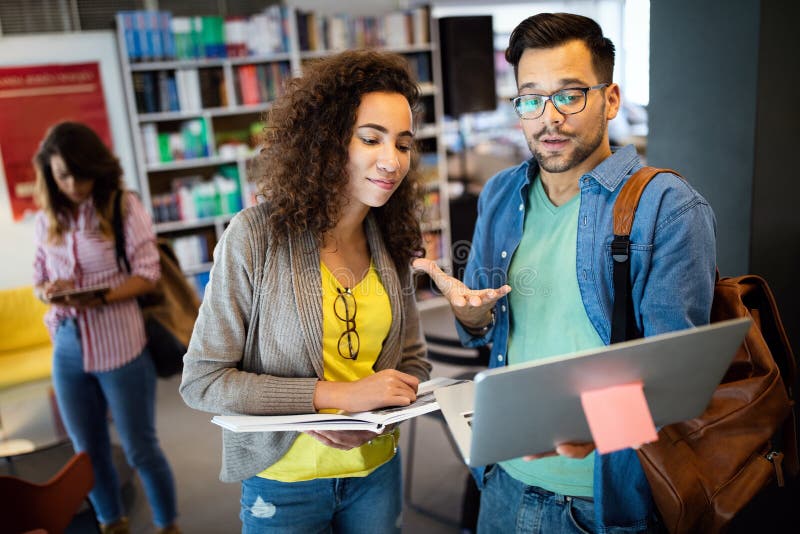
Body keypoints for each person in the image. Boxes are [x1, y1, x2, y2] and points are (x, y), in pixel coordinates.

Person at [413, 12, 716, 534]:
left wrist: (600, 430)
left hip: (603, 500)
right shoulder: (502, 194)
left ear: (611, 99)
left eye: (569, 95)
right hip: (502, 481)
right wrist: (476, 316)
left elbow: (677, 385)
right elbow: (479, 332)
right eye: (530, 98)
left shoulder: (667, 207)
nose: (547, 118)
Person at [179, 49, 432, 534]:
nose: (391, 160)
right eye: (370, 138)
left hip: (376, 472)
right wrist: (335, 399)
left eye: (402, 144)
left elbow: (414, 361)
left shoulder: (391, 239)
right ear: (328, 141)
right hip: (284, 485)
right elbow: (204, 382)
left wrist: (376, 410)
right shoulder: (256, 236)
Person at [32, 122, 180, 534]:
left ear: (97, 166)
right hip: (66, 346)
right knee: (86, 450)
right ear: (49, 174)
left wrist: (96, 297)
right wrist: (49, 290)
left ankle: (169, 525)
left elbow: (147, 274)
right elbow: (39, 275)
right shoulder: (49, 216)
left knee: (140, 449)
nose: (74, 184)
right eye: (63, 175)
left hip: (122, 344)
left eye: (81, 173)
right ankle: (111, 521)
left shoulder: (122, 205)